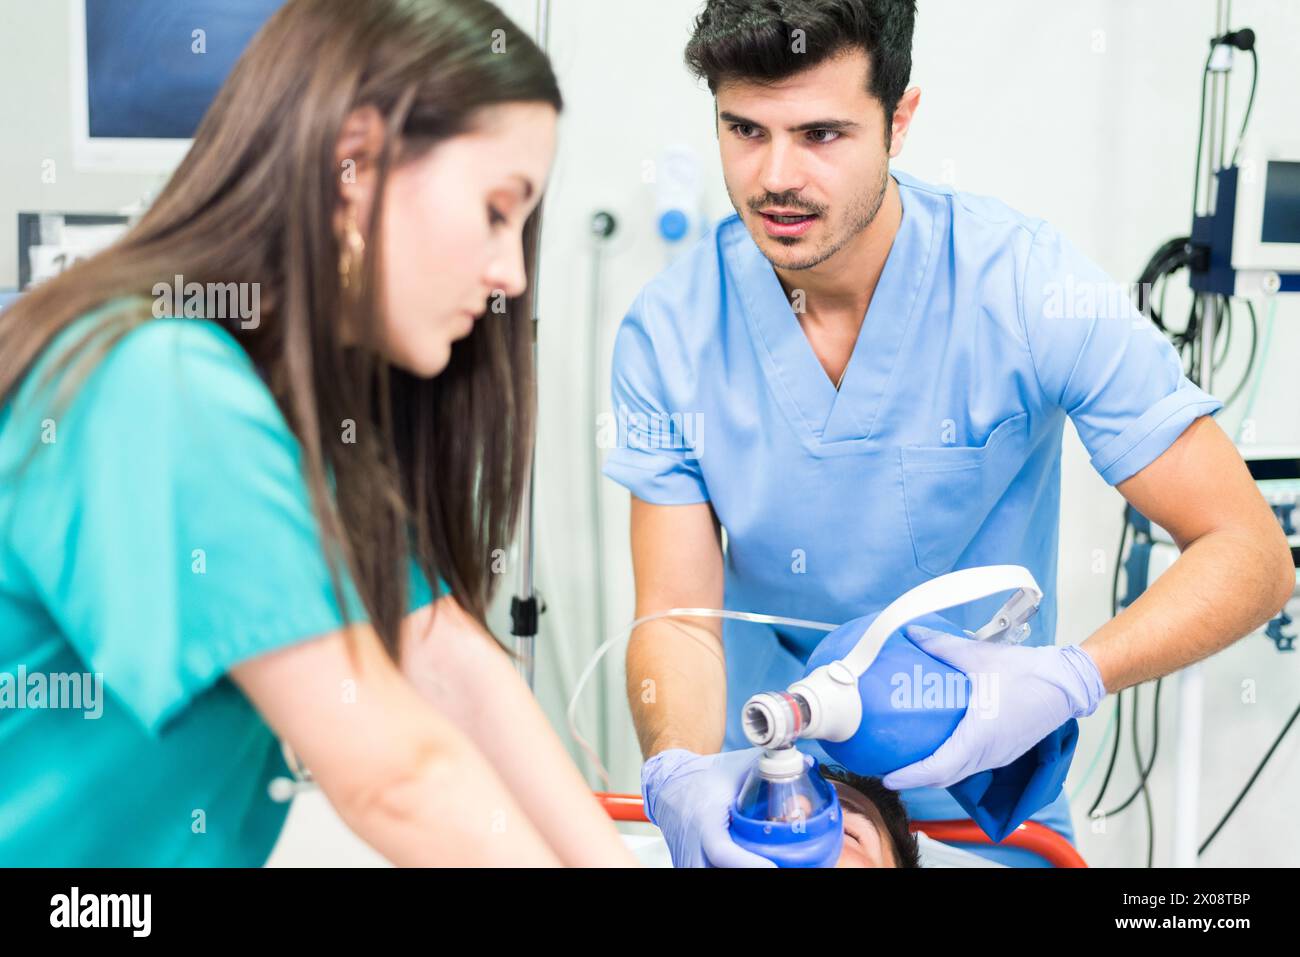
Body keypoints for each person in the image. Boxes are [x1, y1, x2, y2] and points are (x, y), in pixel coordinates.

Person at [605, 0, 1293, 867]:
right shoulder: (671, 332)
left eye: (821, 134)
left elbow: (1251, 553)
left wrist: (1069, 678)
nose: (775, 175)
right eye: (744, 129)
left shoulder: (1026, 290)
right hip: (775, 795)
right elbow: (681, 621)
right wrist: (677, 770)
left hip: (983, 802)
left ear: (900, 121)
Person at [0, 0, 636, 867]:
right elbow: (395, 775)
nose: (509, 272)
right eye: (495, 210)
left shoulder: (279, 413)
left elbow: (442, 657)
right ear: (355, 160)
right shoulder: (159, 384)